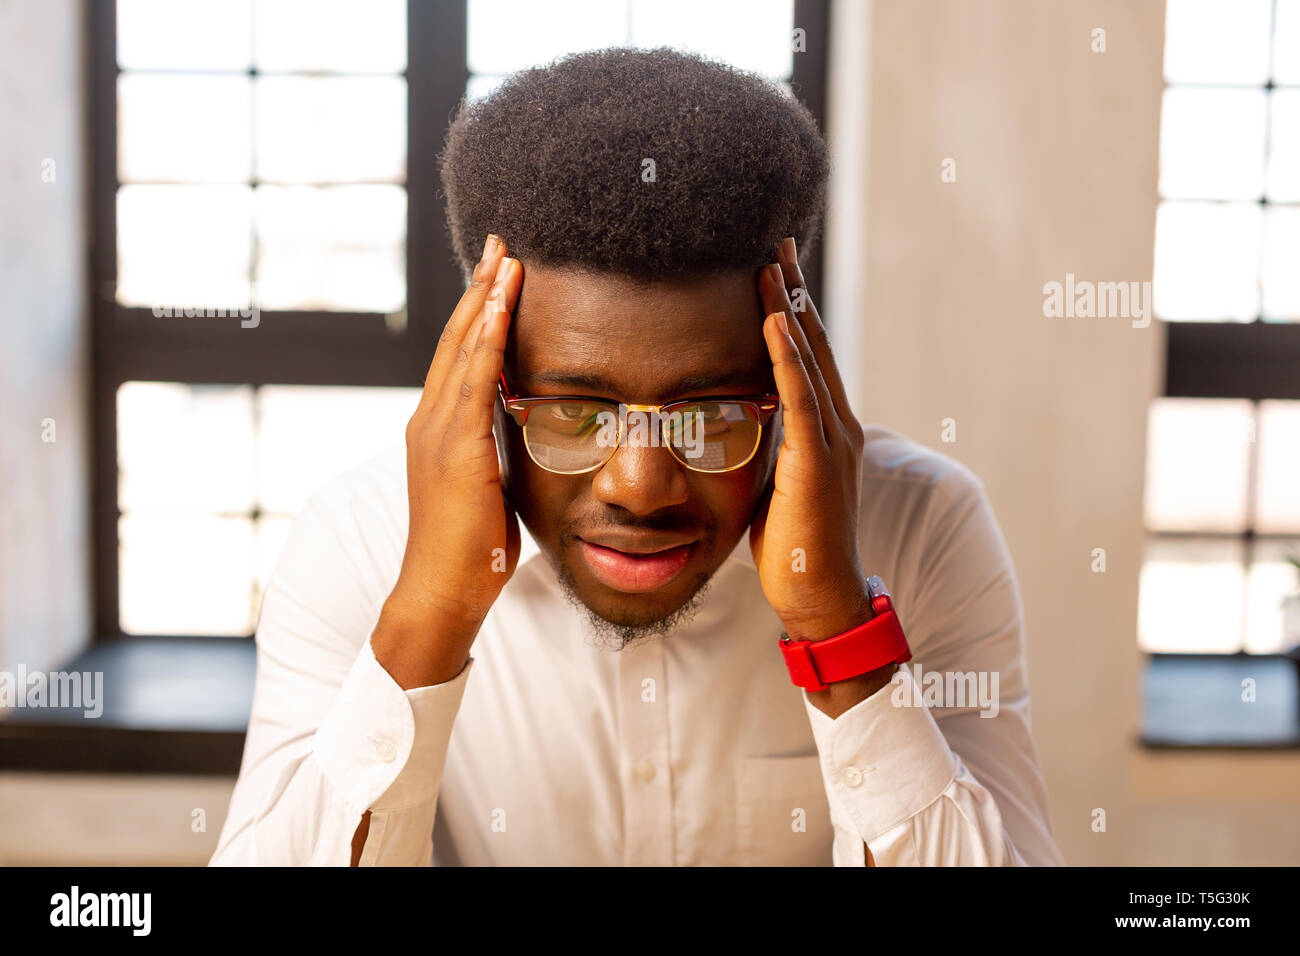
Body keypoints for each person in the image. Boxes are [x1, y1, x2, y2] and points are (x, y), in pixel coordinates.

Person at [210, 46, 1062, 866]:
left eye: (710, 411)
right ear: (485, 389)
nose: (641, 486)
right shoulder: (355, 540)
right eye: (576, 411)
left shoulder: (925, 530)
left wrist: (837, 626)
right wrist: (431, 612)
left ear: (794, 378)